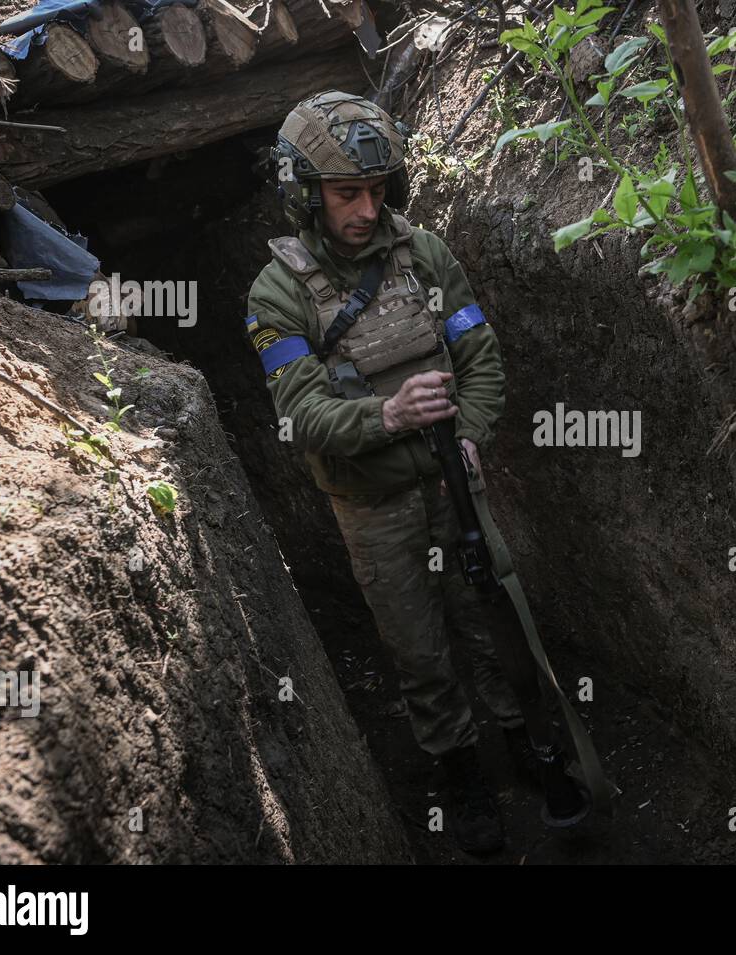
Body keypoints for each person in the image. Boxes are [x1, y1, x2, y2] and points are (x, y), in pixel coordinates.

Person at [244, 89, 534, 856]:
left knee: (492, 618)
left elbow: (479, 356)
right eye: (347, 194)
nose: (366, 209)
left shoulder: (425, 255)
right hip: (371, 506)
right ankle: (460, 770)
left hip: (452, 481)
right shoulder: (277, 294)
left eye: (376, 191)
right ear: (304, 194)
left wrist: (467, 435)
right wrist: (390, 415)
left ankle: (529, 742)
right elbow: (303, 415)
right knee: (419, 648)